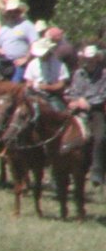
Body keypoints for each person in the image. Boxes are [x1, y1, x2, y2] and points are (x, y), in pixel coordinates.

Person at [66, 45, 106, 190]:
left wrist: (88, 103)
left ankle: (97, 170)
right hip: (77, 109)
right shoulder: (78, 74)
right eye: (86, 59)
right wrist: (76, 101)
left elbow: (103, 95)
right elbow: (72, 91)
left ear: (96, 59)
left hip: (96, 110)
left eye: (91, 59)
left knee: (100, 136)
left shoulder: (104, 74)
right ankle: (62, 169)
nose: (88, 62)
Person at [0, 0, 38, 81]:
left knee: (14, 86)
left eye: (15, 12)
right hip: (4, 62)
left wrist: (26, 59)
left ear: (19, 12)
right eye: (10, 12)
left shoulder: (27, 25)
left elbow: (34, 44)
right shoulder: (4, 28)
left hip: (19, 64)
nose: (12, 14)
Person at [26, 36, 69, 109]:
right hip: (35, 95)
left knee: (58, 110)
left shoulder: (59, 64)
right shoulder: (32, 64)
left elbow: (62, 83)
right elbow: (28, 81)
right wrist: (33, 85)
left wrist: (48, 87)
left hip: (52, 96)